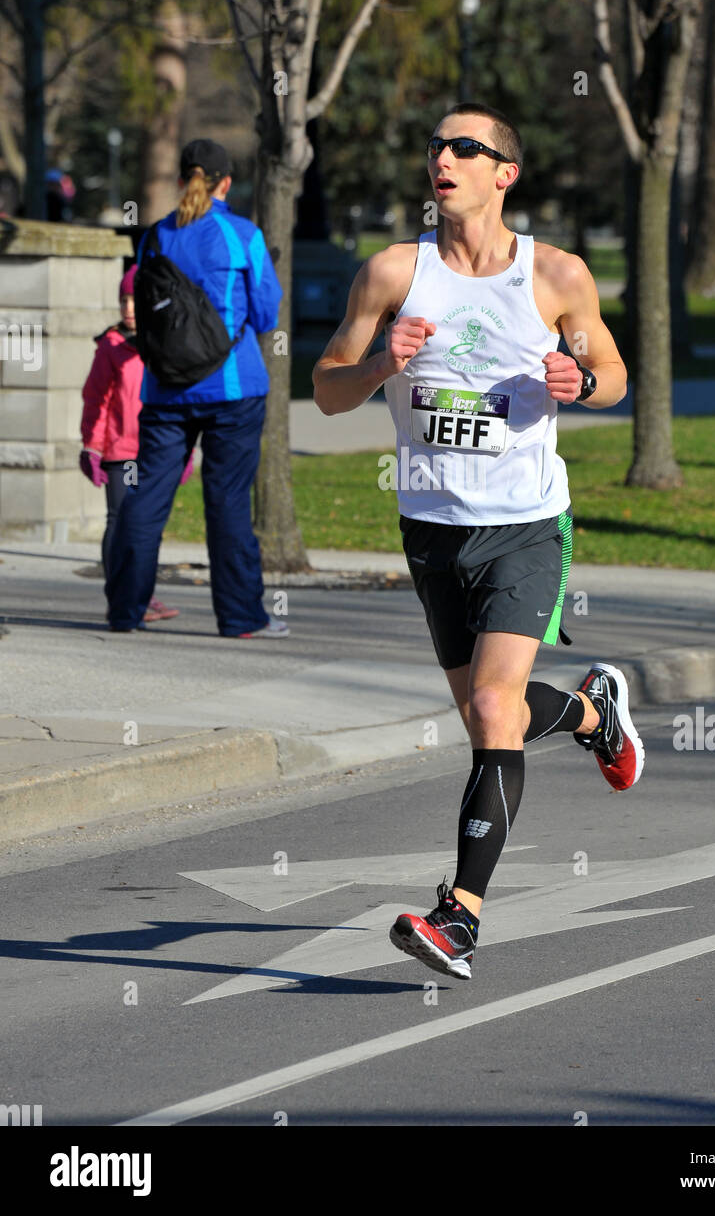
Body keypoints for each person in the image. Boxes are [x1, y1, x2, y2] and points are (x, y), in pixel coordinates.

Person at [313, 102, 645, 981]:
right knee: (482, 715)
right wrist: (382, 362)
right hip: (430, 527)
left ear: (505, 173)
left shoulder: (556, 276)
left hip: (525, 525)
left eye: (466, 147)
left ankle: (457, 917)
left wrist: (582, 380)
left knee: (494, 712)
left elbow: (612, 373)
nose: (443, 158)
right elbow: (328, 392)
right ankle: (587, 712)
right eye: (436, 145)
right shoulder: (391, 273)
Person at [105, 138, 287, 638]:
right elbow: (266, 314)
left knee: (144, 500)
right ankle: (241, 619)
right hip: (233, 388)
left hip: (165, 390)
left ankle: (125, 611)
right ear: (225, 182)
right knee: (227, 502)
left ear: (184, 177)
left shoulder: (155, 237)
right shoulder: (242, 234)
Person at [80, 264, 183, 623]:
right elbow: (96, 401)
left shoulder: (166, 342)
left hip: (155, 452)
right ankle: (120, 596)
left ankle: (143, 593)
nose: (128, 308)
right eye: (123, 300)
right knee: (121, 521)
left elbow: (178, 398)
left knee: (146, 524)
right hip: (121, 455)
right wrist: (91, 447)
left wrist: (182, 455)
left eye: (134, 300)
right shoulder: (110, 346)